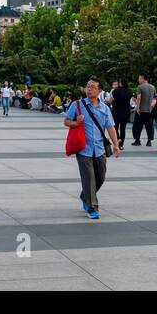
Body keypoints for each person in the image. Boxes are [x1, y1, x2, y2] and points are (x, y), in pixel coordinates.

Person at [64, 76, 121, 219]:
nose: (89, 89)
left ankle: (85, 196)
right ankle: (92, 207)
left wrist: (116, 145)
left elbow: (110, 127)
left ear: (99, 90)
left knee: (100, 177)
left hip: (100, 149)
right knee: (88, 179)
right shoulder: (77, 105)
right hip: (83, 149)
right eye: (87, 86)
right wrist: (76, 123)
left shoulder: (105, 108)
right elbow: (66, 121)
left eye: (92, 87)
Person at [133, 74, 157, 147]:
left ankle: (137, 140)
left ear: (143, 79)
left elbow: (139, 97)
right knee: (149, 126)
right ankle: (149, 141)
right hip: (149, 111)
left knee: (137, 126)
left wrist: (137, 108)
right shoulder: (153, 87)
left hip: (141, 110)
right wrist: (152, 105)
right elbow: (155, 98)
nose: (138, 80)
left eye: (139, 78)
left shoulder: (140, 87)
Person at [109, 79, 132, 149]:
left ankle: (118, 139)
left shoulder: (115, 91)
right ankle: (121, 144)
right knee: (123, 128)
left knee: (115, 128)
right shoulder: (129, 91)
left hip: (116, 111)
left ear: (121, 83)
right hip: (126, 111)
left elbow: (111, 101)